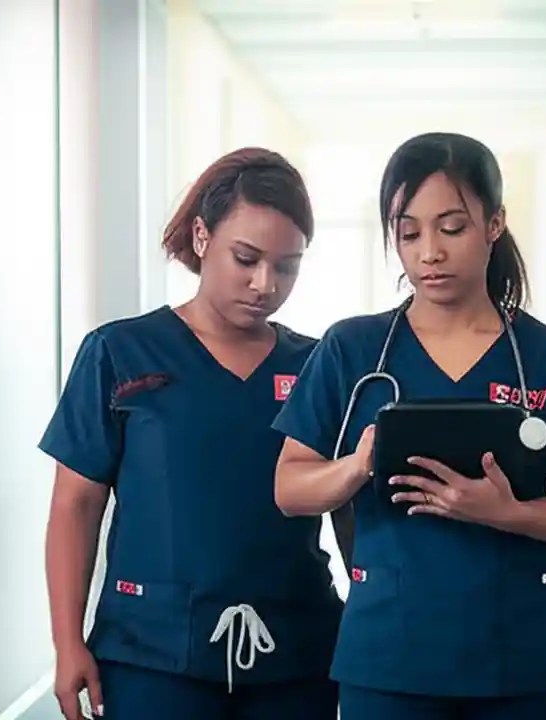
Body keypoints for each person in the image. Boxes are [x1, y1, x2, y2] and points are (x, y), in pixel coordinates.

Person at [271, 131, 546, 720]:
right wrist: (360, 462)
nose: (429, 252)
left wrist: (504, 513)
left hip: (522, 654)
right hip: (391, 655)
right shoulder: (354, 350)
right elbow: (290, 489)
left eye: (452, 228)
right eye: (408, 232)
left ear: (495, 224)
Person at [39, 147, 346, 720]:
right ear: (202, 237)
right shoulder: (119, 352)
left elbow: (347, 510)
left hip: (297, 654)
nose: (265, 284)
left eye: (287, 266)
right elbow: (75, 506)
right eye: (246, 258)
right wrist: (67, 642)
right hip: (149, 655)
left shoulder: (317, 366)